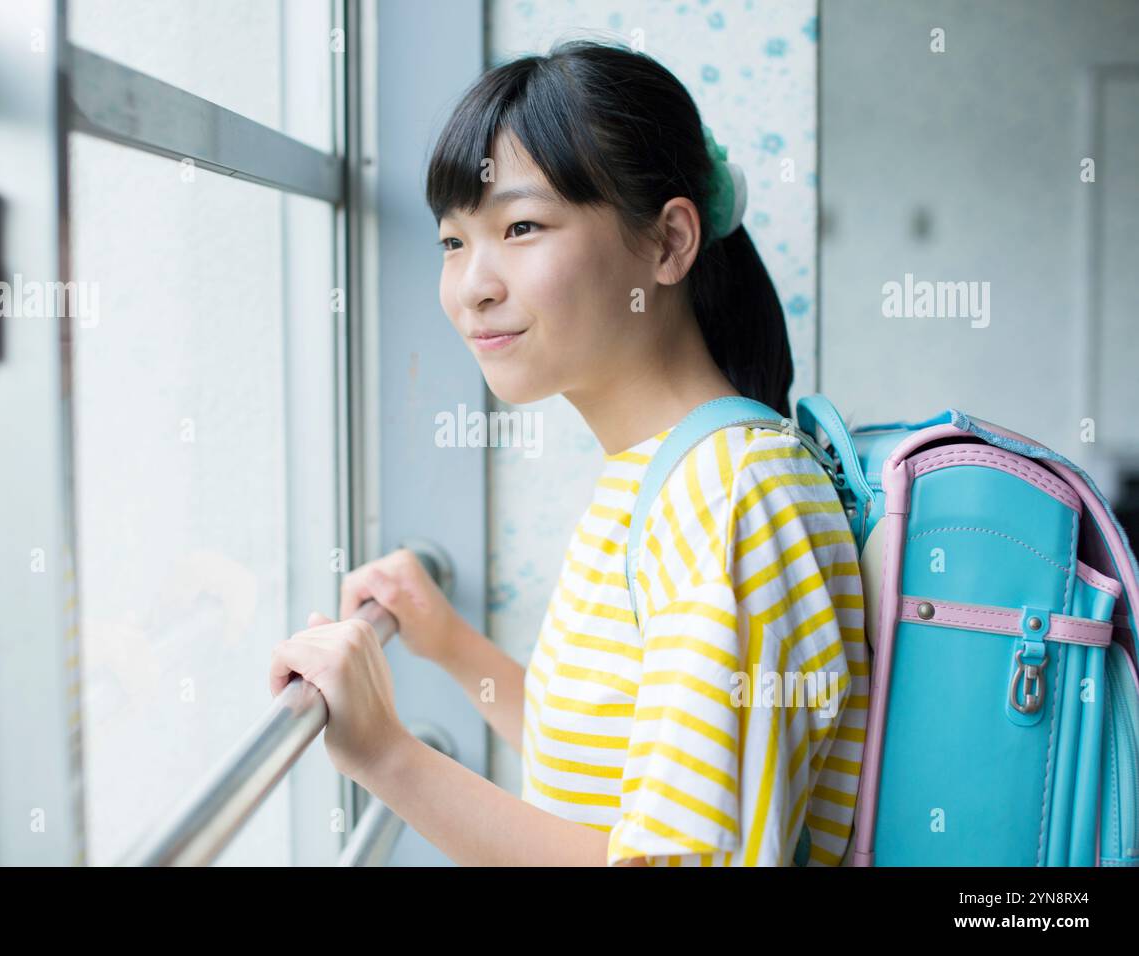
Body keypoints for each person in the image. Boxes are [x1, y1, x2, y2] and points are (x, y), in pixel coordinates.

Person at [268, 38, 867, 867]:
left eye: (520, 226)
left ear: (667, 244)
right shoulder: (662, 472)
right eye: (452, 241)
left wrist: (387, 757)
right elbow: (602, 774)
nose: (473, 283)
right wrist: (447, 643)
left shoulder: (733, 492)